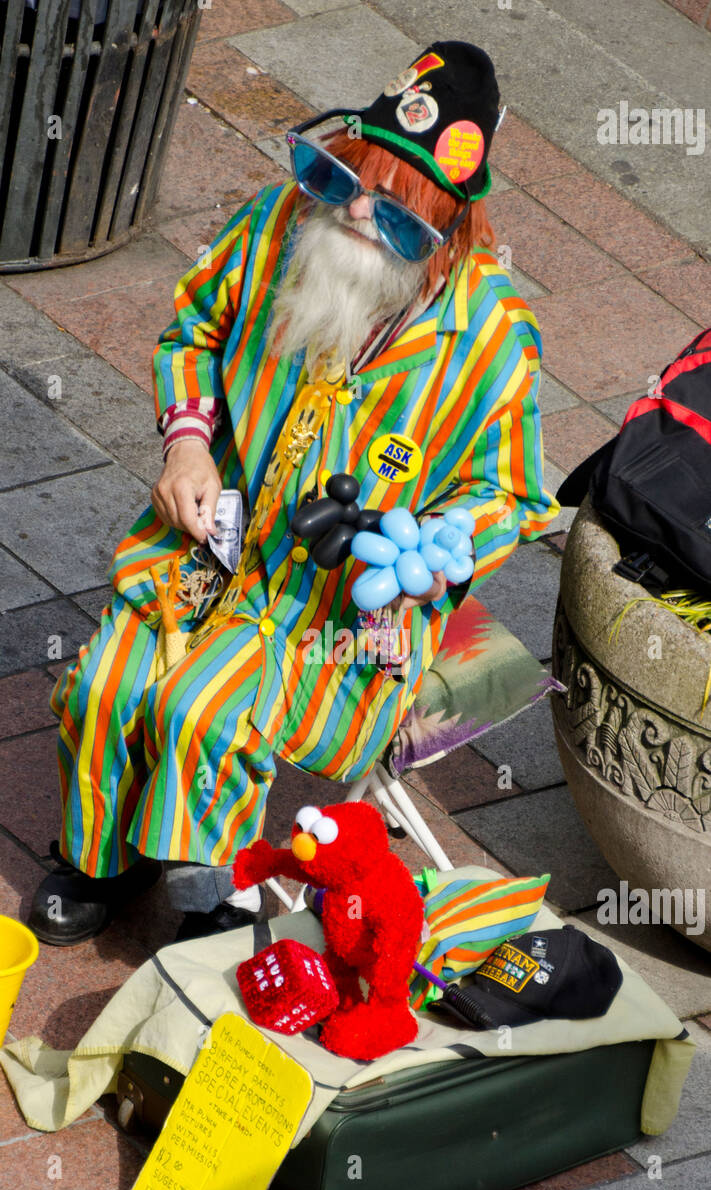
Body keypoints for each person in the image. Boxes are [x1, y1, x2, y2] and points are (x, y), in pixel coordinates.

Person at [29, 40, 559, 947]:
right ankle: (99, 860)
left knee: (204, 706)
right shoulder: (279, 223)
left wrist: (435, 546)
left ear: (449, 235)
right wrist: (188, 445)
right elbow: (193, 326)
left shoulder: (495, 336)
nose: (354, 212)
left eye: (395, 214)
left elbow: (507, 492)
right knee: (109, 682)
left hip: (337, 608)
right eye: (344, 177)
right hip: (213, 538)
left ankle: (214, 892)